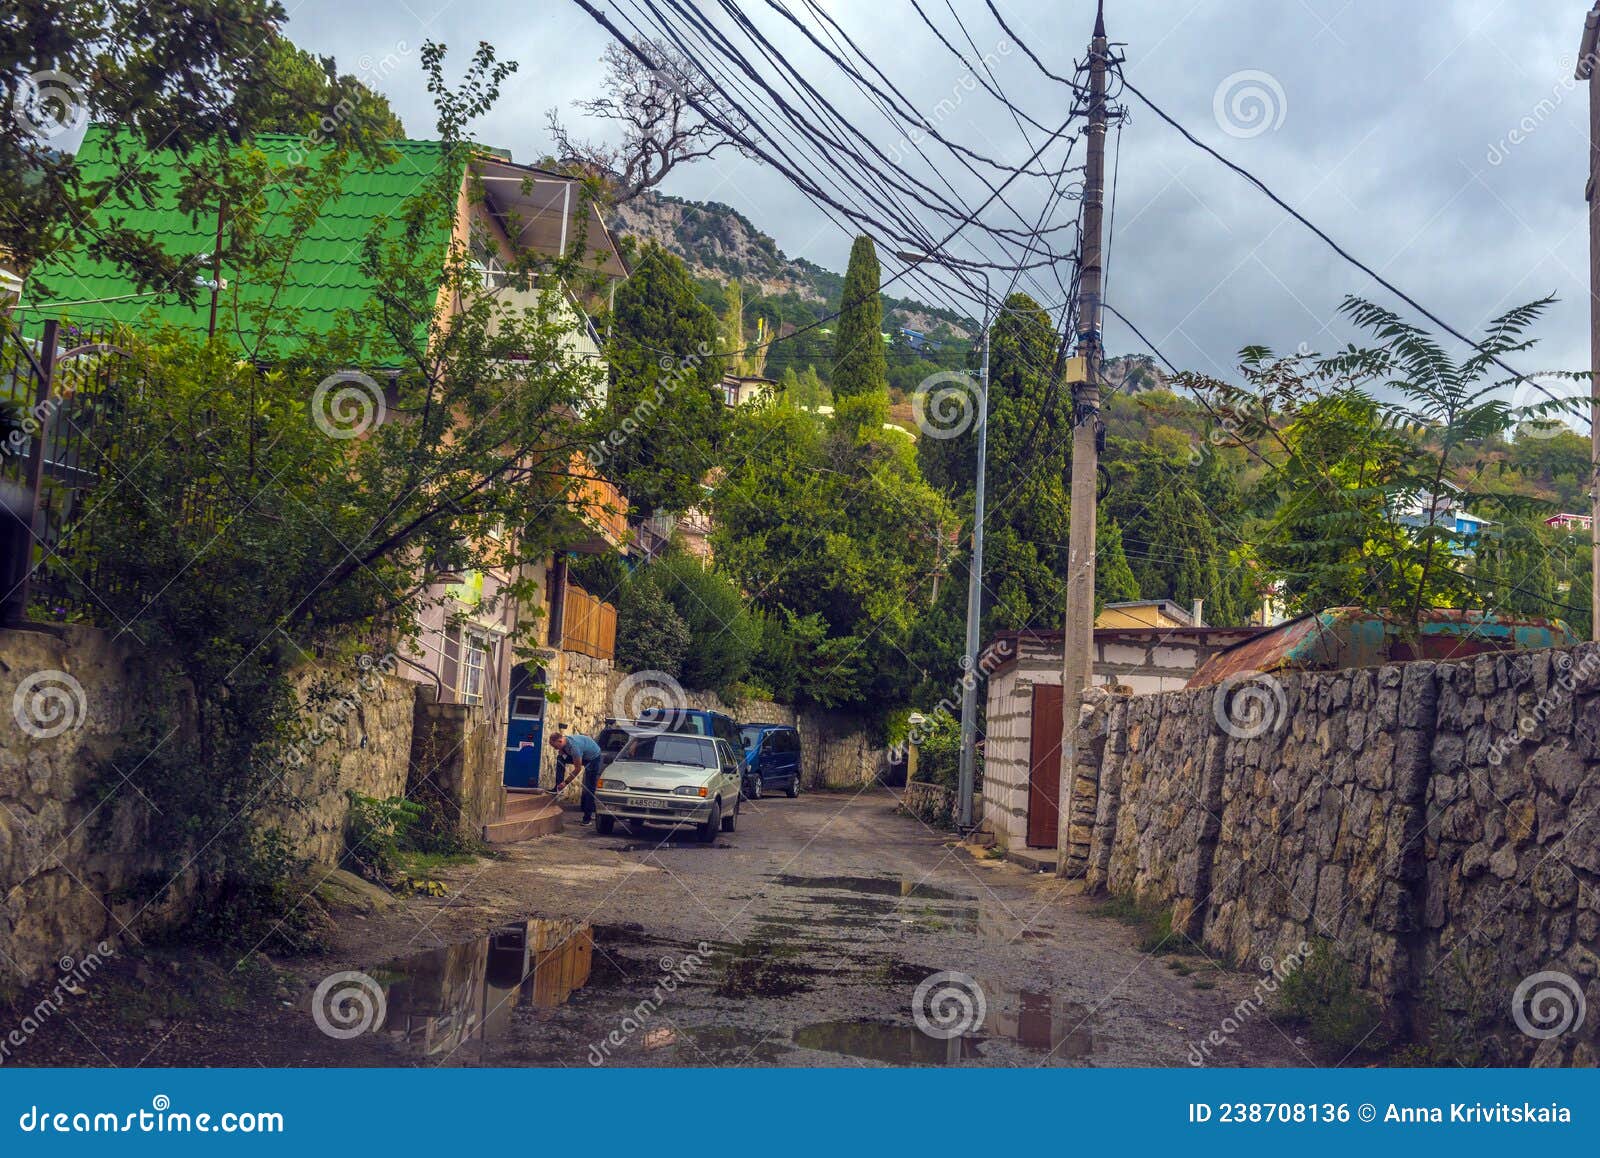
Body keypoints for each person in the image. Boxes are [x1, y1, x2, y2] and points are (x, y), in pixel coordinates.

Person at [548, 730, 604, 825]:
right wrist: (561, 753)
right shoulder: (564, 742)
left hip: (593, 758)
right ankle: (557, 787)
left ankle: (587, 818)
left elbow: (577, 769)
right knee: (560, 759)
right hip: (583, 754)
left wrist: (565, 783)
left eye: (556, 747)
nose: (556, 749)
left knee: (589, 788)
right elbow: (562, 754)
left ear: (560, 741)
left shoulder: (574, 748)